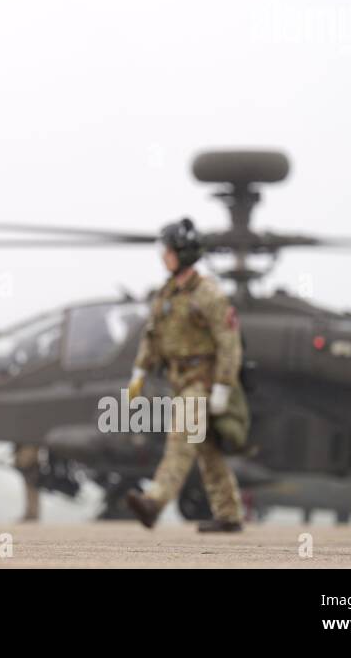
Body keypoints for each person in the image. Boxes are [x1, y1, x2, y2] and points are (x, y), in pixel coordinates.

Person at [124, 219, 244, 533]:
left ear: (183, 254)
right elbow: (152, 336)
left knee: (181, 439)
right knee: (207, 450)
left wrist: (222, 386)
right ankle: (229, 514)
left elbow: (229, 343)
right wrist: (140, 371)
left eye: (168, 250)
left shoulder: (209, 294)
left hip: (200, 382)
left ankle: (154, 502)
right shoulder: (168, 293)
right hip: (179, 380)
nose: (163, 256)